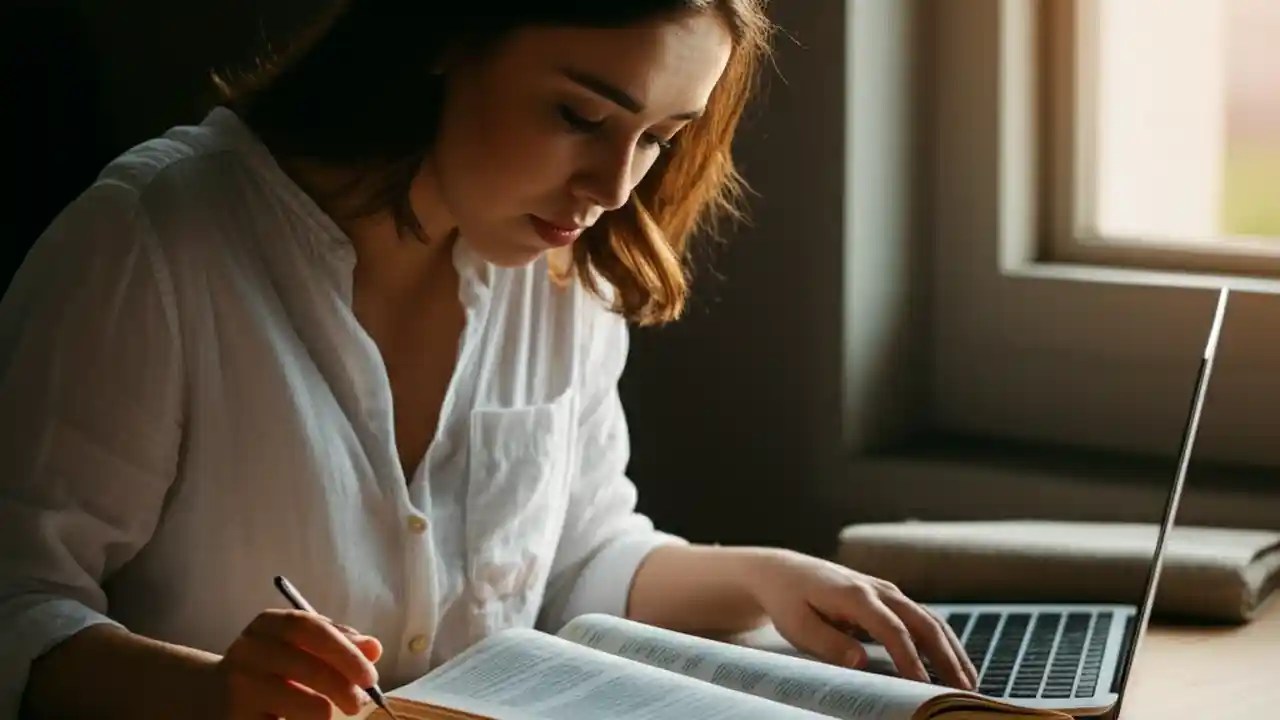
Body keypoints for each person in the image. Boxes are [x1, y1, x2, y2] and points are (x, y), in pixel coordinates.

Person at [0, 2, 977, 718]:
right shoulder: (152, 247)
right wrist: (213, 694)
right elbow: (18, 607)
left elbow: (580, 558)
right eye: (580, 118)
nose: (610, 187)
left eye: (655, 141)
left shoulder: (563, 276)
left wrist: (766, 580)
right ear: (443, 38)